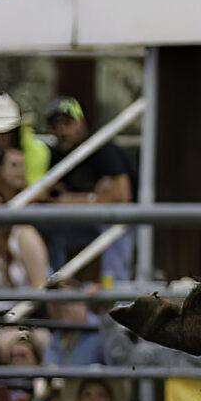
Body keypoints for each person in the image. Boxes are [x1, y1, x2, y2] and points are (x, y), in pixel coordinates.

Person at [42, 97, 136, 281]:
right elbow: (48, 195)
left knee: (114, 227)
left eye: (67, 123)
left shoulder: (101, 147)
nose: (62, 130)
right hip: (80, 222)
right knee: (47, 222)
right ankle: (53, 290)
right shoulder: (55, 154)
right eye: (55, 125)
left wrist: (70, 199)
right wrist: (95, 196)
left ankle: (115, 293)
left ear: (81, 123)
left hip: (120, 221)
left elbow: (121, 195)